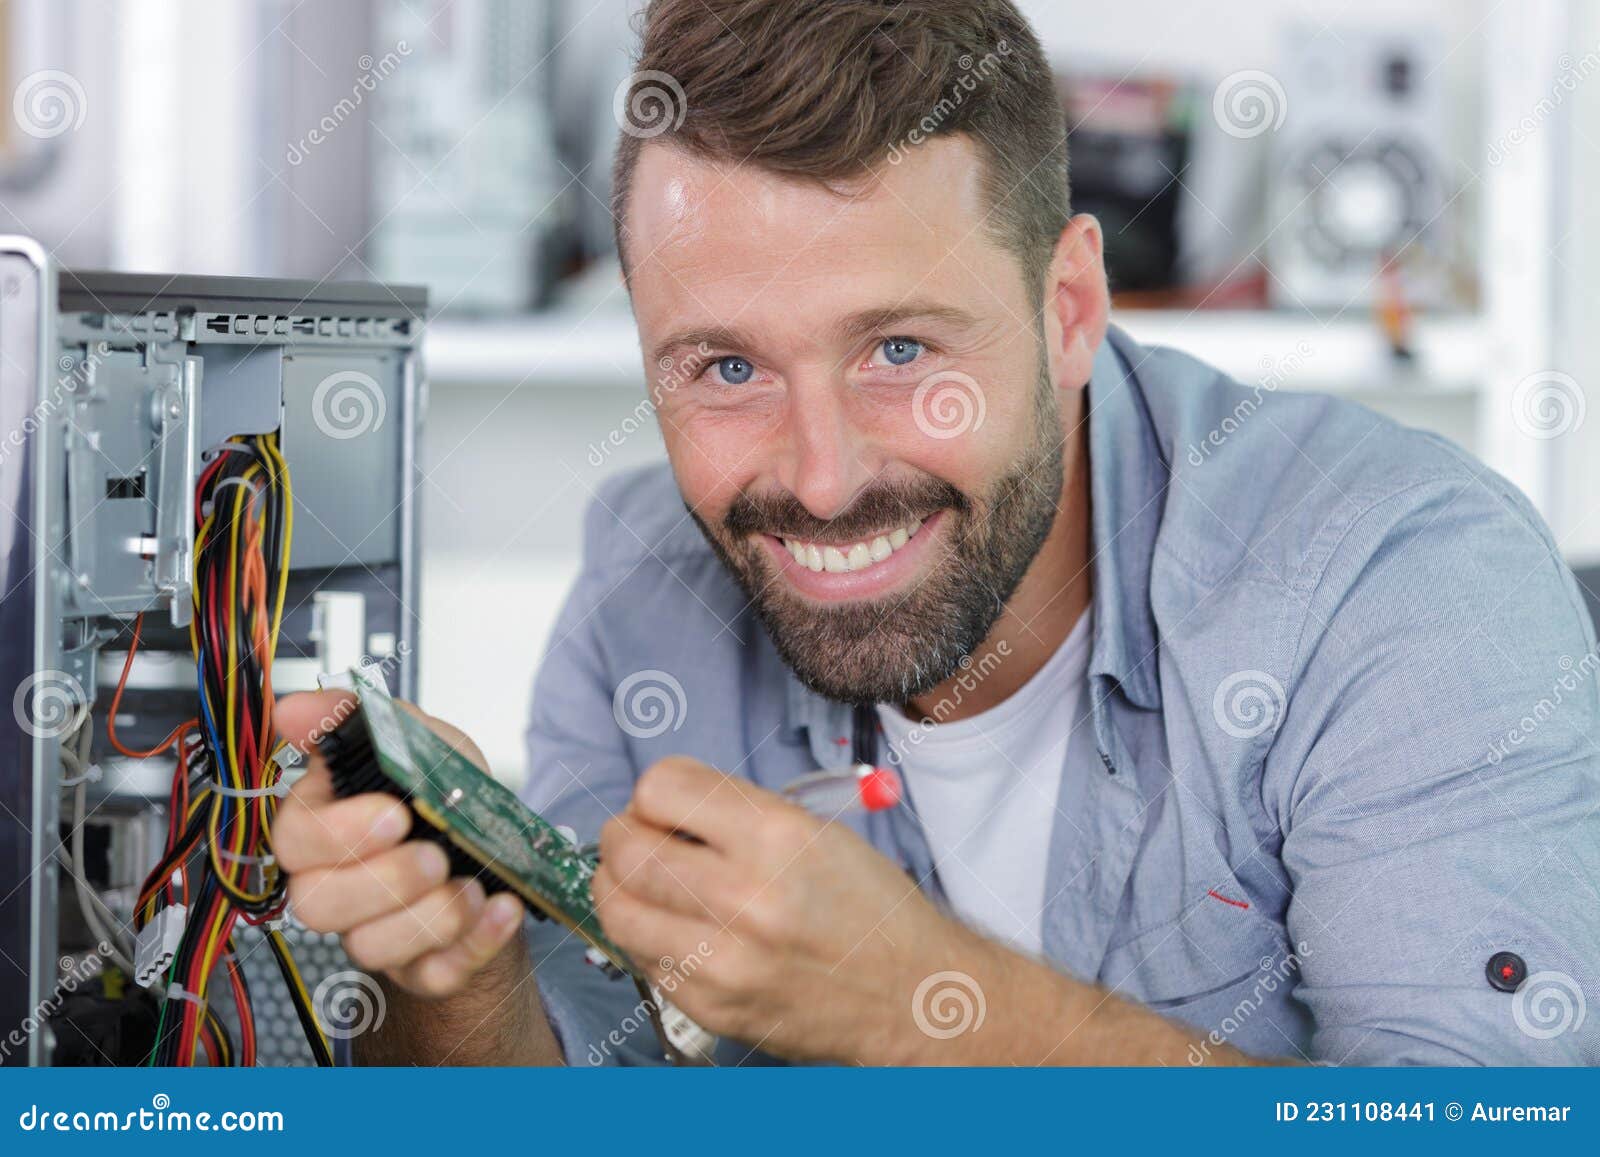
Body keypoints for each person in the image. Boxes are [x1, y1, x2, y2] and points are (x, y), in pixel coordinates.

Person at [273, 0, 1600, 1066]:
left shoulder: (1396, 575)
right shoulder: (647, 595)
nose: (824, 474)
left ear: (1069, 306)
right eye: (726, 368)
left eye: (900, 348)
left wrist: (931, 1011)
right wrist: (456, 966)